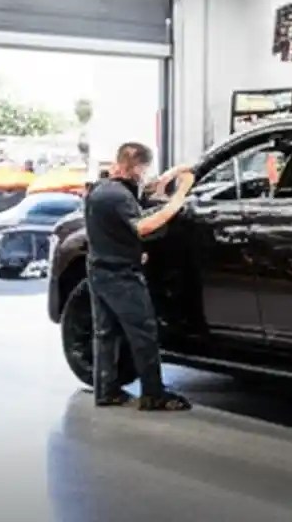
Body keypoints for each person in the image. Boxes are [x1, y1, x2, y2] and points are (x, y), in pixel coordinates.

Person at [84, 142, 195, 411]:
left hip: (99, 269)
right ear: (137, 168)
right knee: (143, 332)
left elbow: (119, 225)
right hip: (121, 275)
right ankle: (153, 393)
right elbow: (144, 226)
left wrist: (174, 174)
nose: (147, 175)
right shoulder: (119, 196)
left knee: (105, 333)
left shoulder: (100, 189)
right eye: (145, 169)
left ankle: (106, 390)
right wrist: (180, 196)